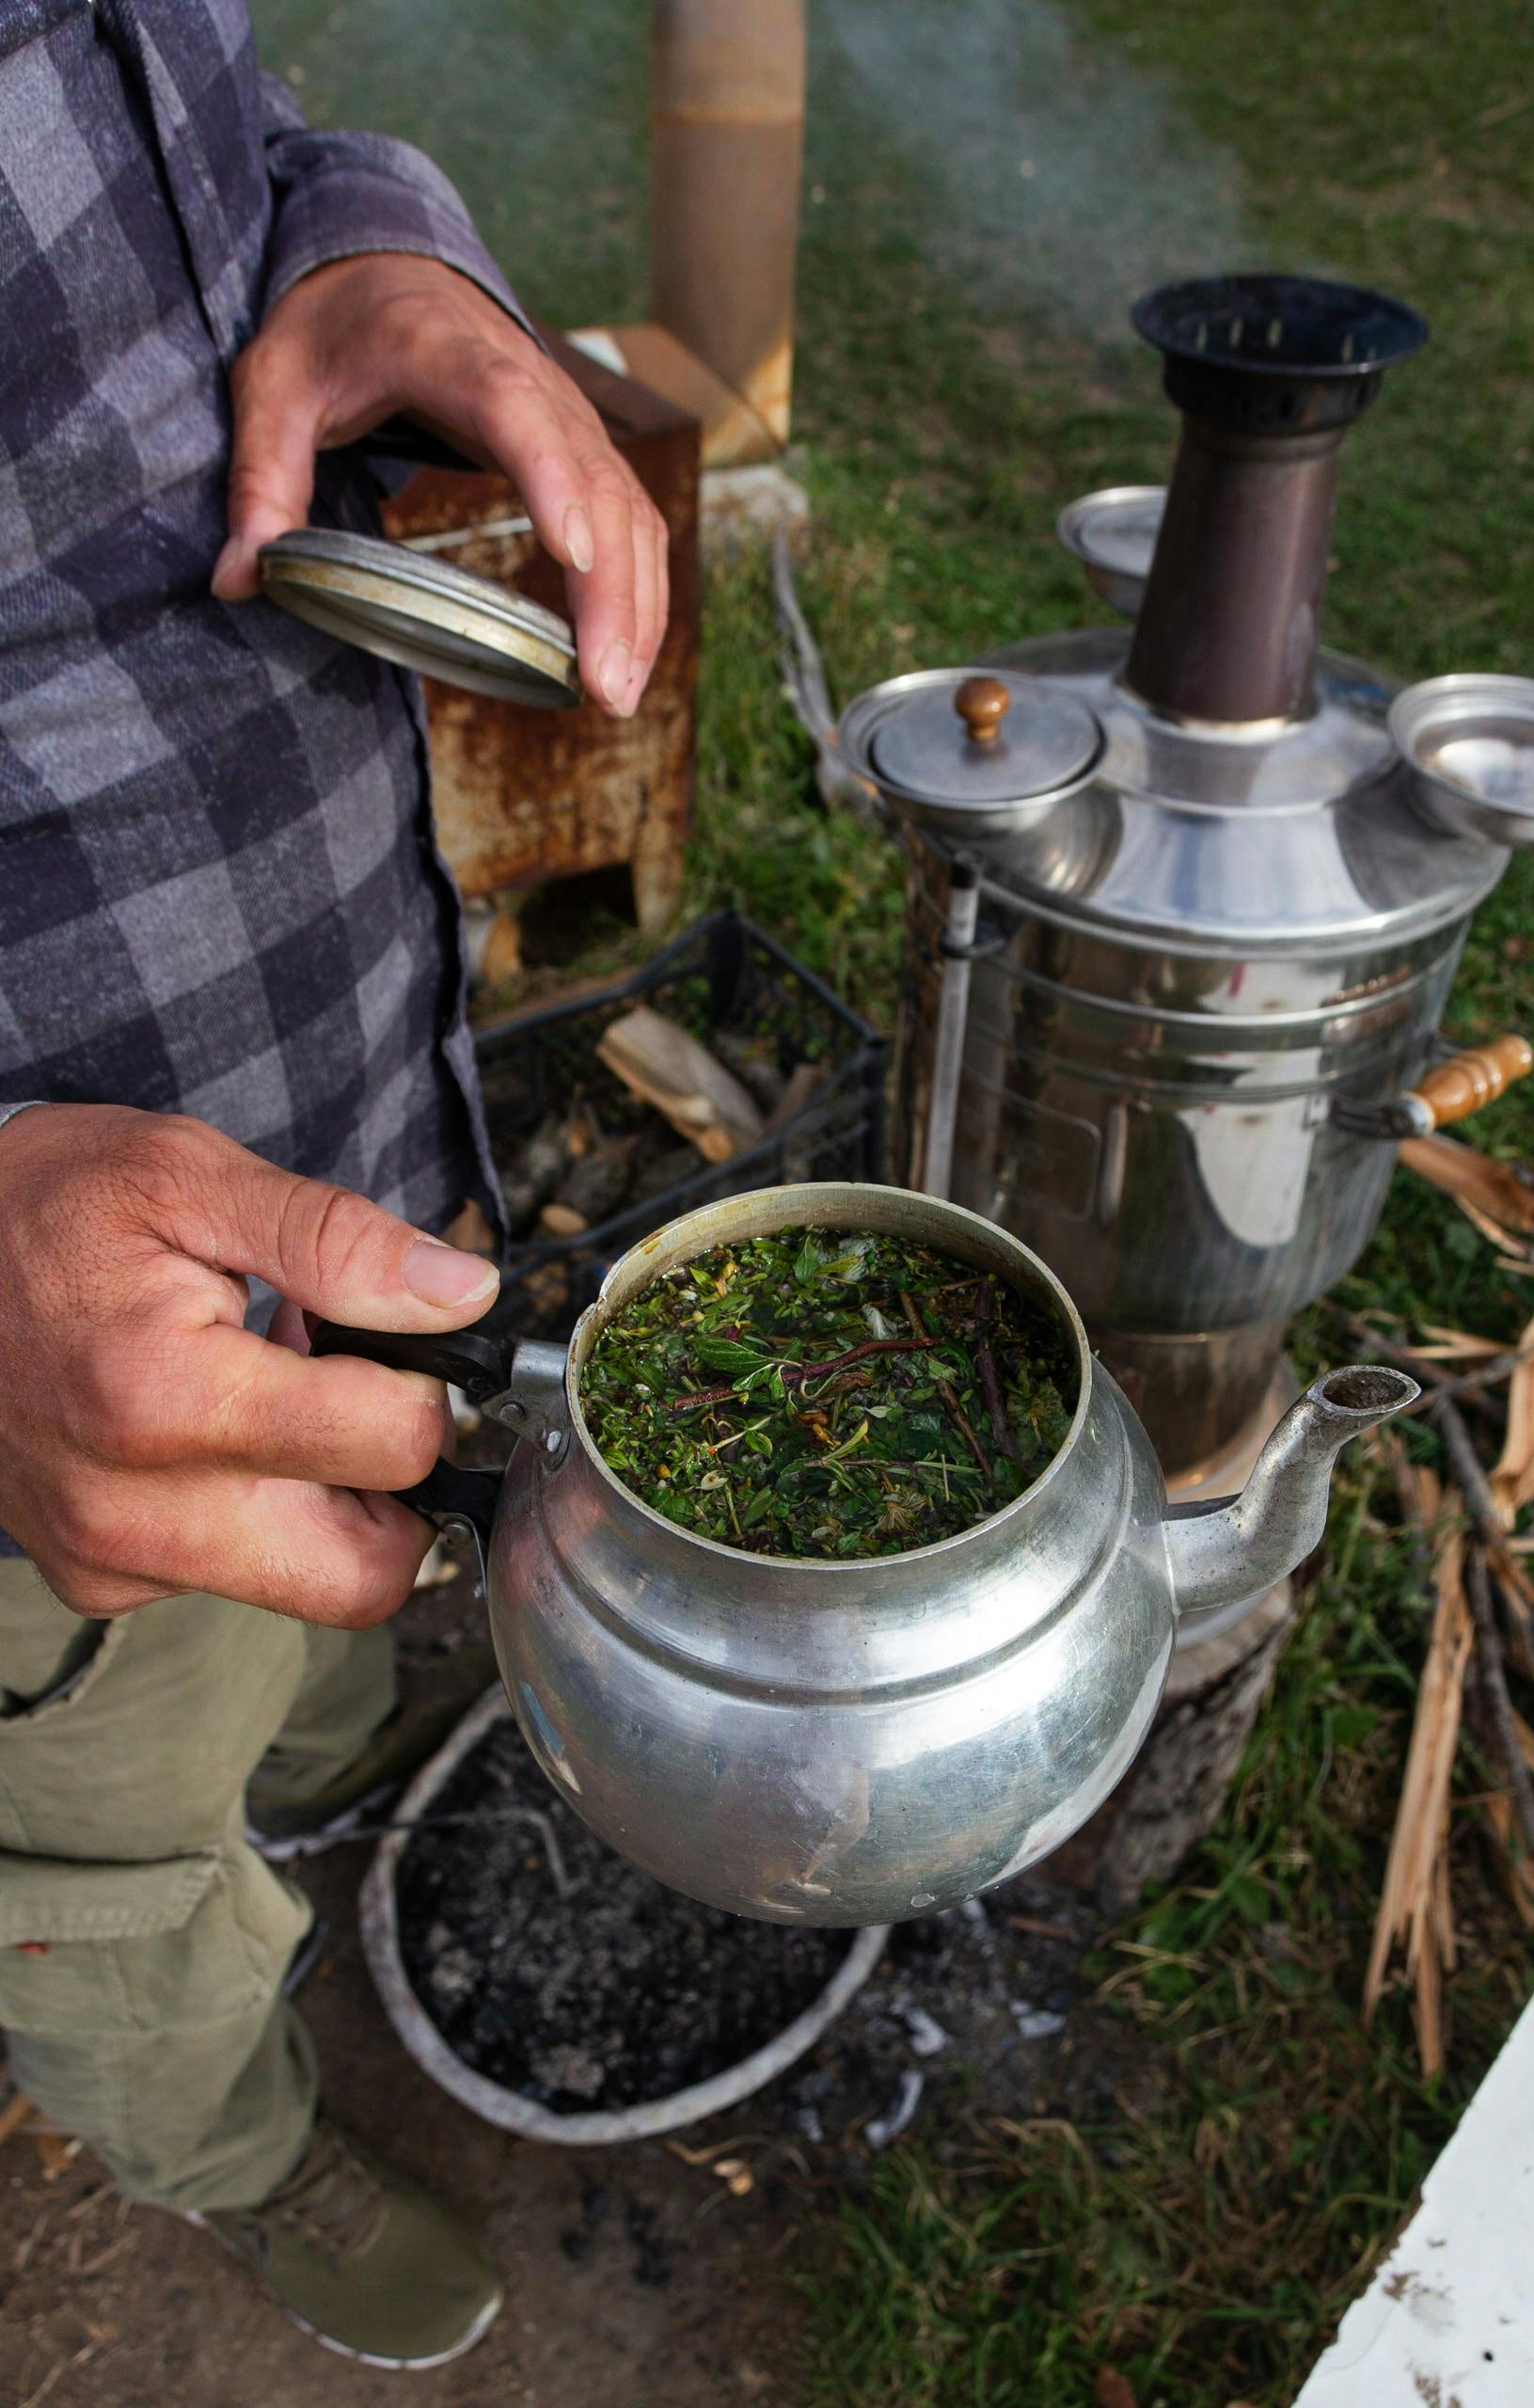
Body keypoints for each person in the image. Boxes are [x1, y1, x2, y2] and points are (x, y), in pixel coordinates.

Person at [0, 0, 668, 2369]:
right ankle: (229, 2140)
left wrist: (382, 262)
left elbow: (199, 146)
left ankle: (325, 1759)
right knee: (101, 1857)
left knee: (318, 1623)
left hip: (345, 1084)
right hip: (38, 1380)